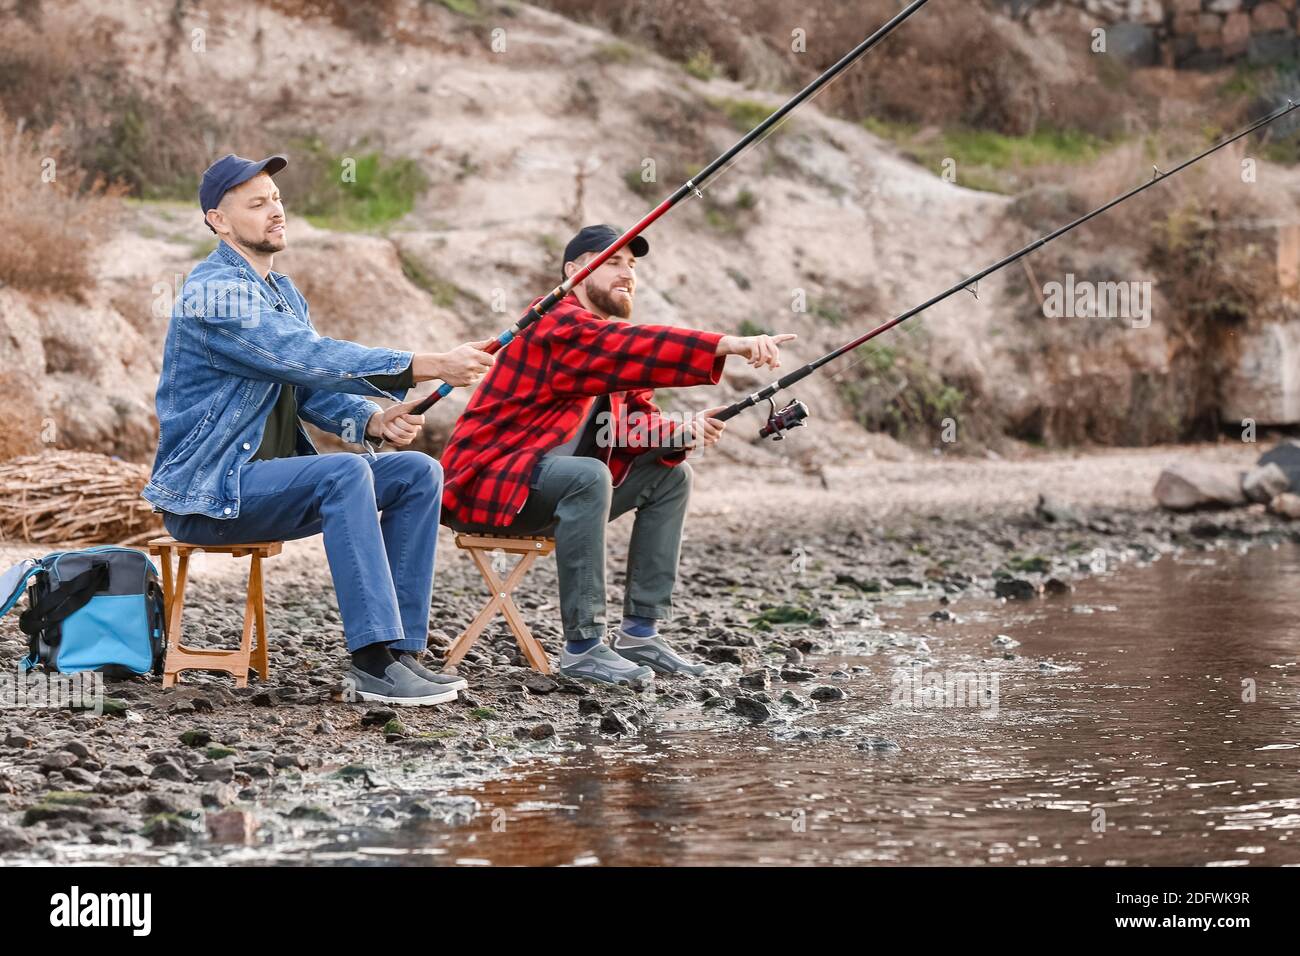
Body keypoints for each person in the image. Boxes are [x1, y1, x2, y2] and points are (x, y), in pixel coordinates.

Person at [142, 153, 495, 706]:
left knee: (418, 472)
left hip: (271, 488)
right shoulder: (212, 293)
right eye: (256, 204)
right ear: (218, 220)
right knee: (345, 472)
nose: (275, 211)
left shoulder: (282, 292)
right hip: (210, 494)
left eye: (276, 199)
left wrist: (373, 419)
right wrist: (425, 364)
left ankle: (403, 651)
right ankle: (372, 661)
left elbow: (307, 385)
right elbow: (303, 353)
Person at [440, 224, 794, 685]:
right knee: (589, 475)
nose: (626, 273)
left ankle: (640, 633)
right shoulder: (553, 323)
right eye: (612, 262)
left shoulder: (609, 347)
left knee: (672, 477)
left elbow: (631, 428)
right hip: (485, 487)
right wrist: (726, 343)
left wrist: (683, 430)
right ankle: (583, 647)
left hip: (548, 493)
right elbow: (626, 346)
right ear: (573, 271)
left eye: (632, 265)